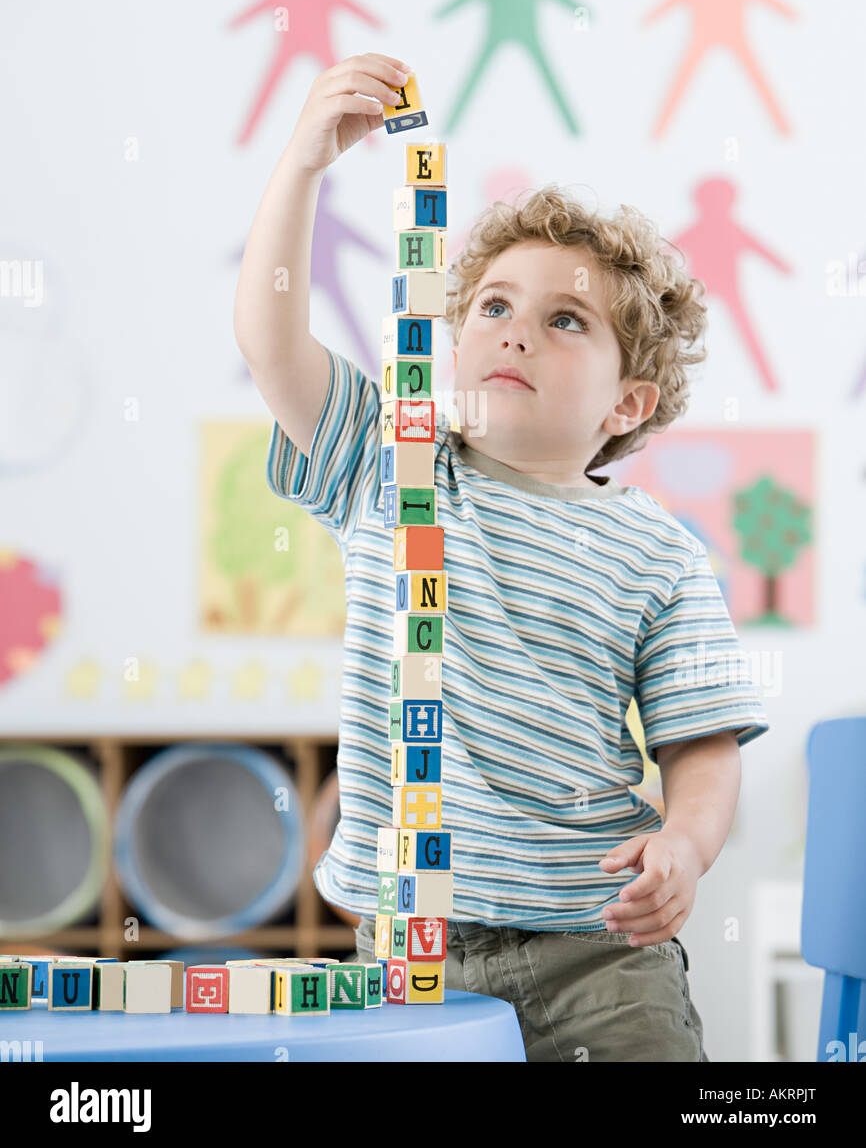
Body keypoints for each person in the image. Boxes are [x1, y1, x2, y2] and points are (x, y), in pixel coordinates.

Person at [233, 52, 770, 1062]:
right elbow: (269, 341)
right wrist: (303, 162)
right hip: (404, 951)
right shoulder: (389, 462)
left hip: (597, 950)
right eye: (491, 305)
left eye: (563, 319)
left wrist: (685, 844)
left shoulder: (657, 552)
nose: (514, 332)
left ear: (625, 403)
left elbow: (701, 743)